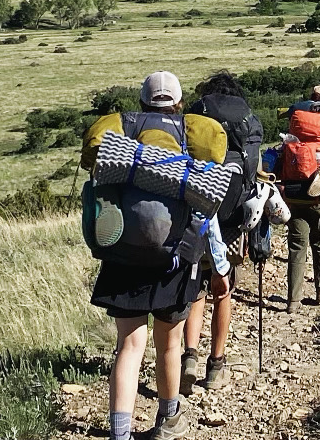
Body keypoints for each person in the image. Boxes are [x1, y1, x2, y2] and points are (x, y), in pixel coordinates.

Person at [82, 71, 228, 440]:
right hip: (174, 256)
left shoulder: (119, 128)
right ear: (179, 103)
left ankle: (119, 432)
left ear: (142, 101)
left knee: (129, 345)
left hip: (123, 253)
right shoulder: (195, 133)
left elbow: (91, 163)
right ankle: (169, 419)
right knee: (170, 343)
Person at [181, 71, 261, 393]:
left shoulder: (195, 114)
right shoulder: (247, 118)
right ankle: (216, 364)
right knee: (223, 288)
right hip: (228, 217)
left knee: (196, 287)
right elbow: (251, 173)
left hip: (194, 211)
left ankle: (189, 356)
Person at [264, 98, 320, 312]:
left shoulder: (291, 138)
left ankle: (293, 300)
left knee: (296, 247)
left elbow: (273, 163)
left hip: (293, 197)